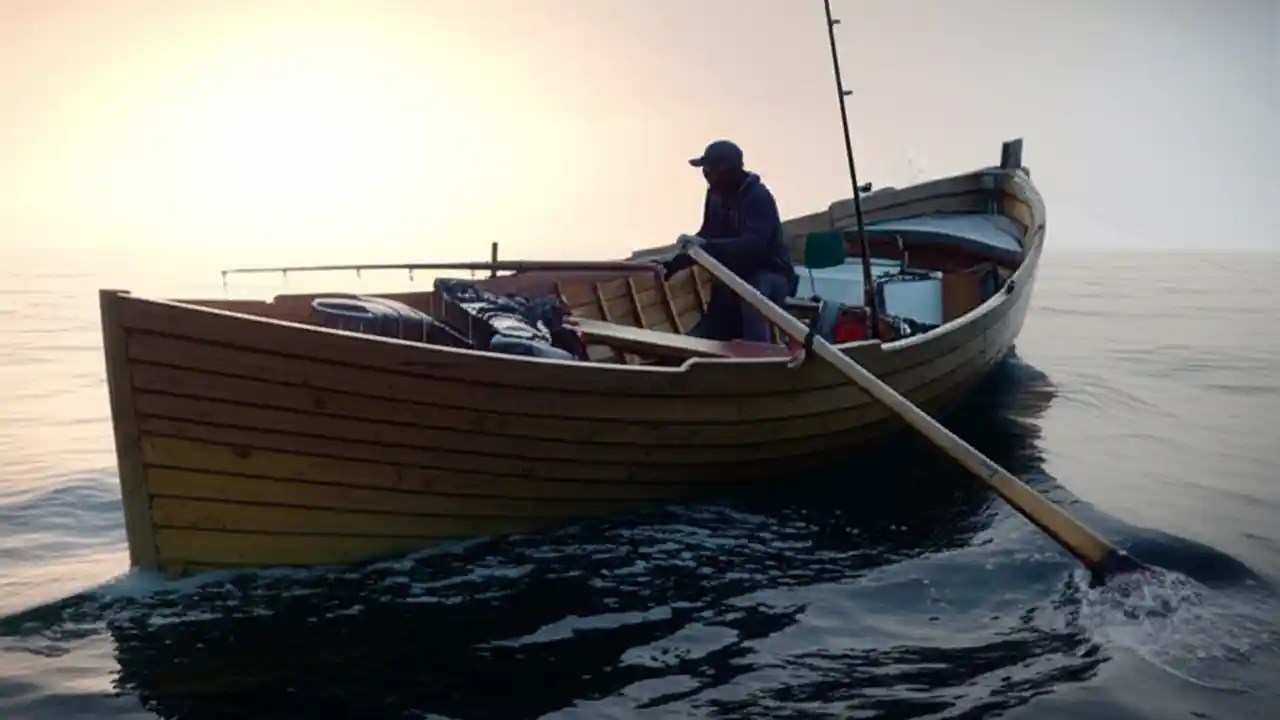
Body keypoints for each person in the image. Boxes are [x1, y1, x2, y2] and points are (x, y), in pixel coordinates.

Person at [661, 140, 798, 343]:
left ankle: (761, 356)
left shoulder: (758, 197)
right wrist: (674, 262)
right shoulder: (714, 195)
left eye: (708, 168)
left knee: (751, 295)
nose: (705, 174)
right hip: (733, 275)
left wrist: (706, 246)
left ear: (724, 169)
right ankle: (703, 344)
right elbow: (707, 235)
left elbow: (753, 247)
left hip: (772, 274)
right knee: (721, 302)